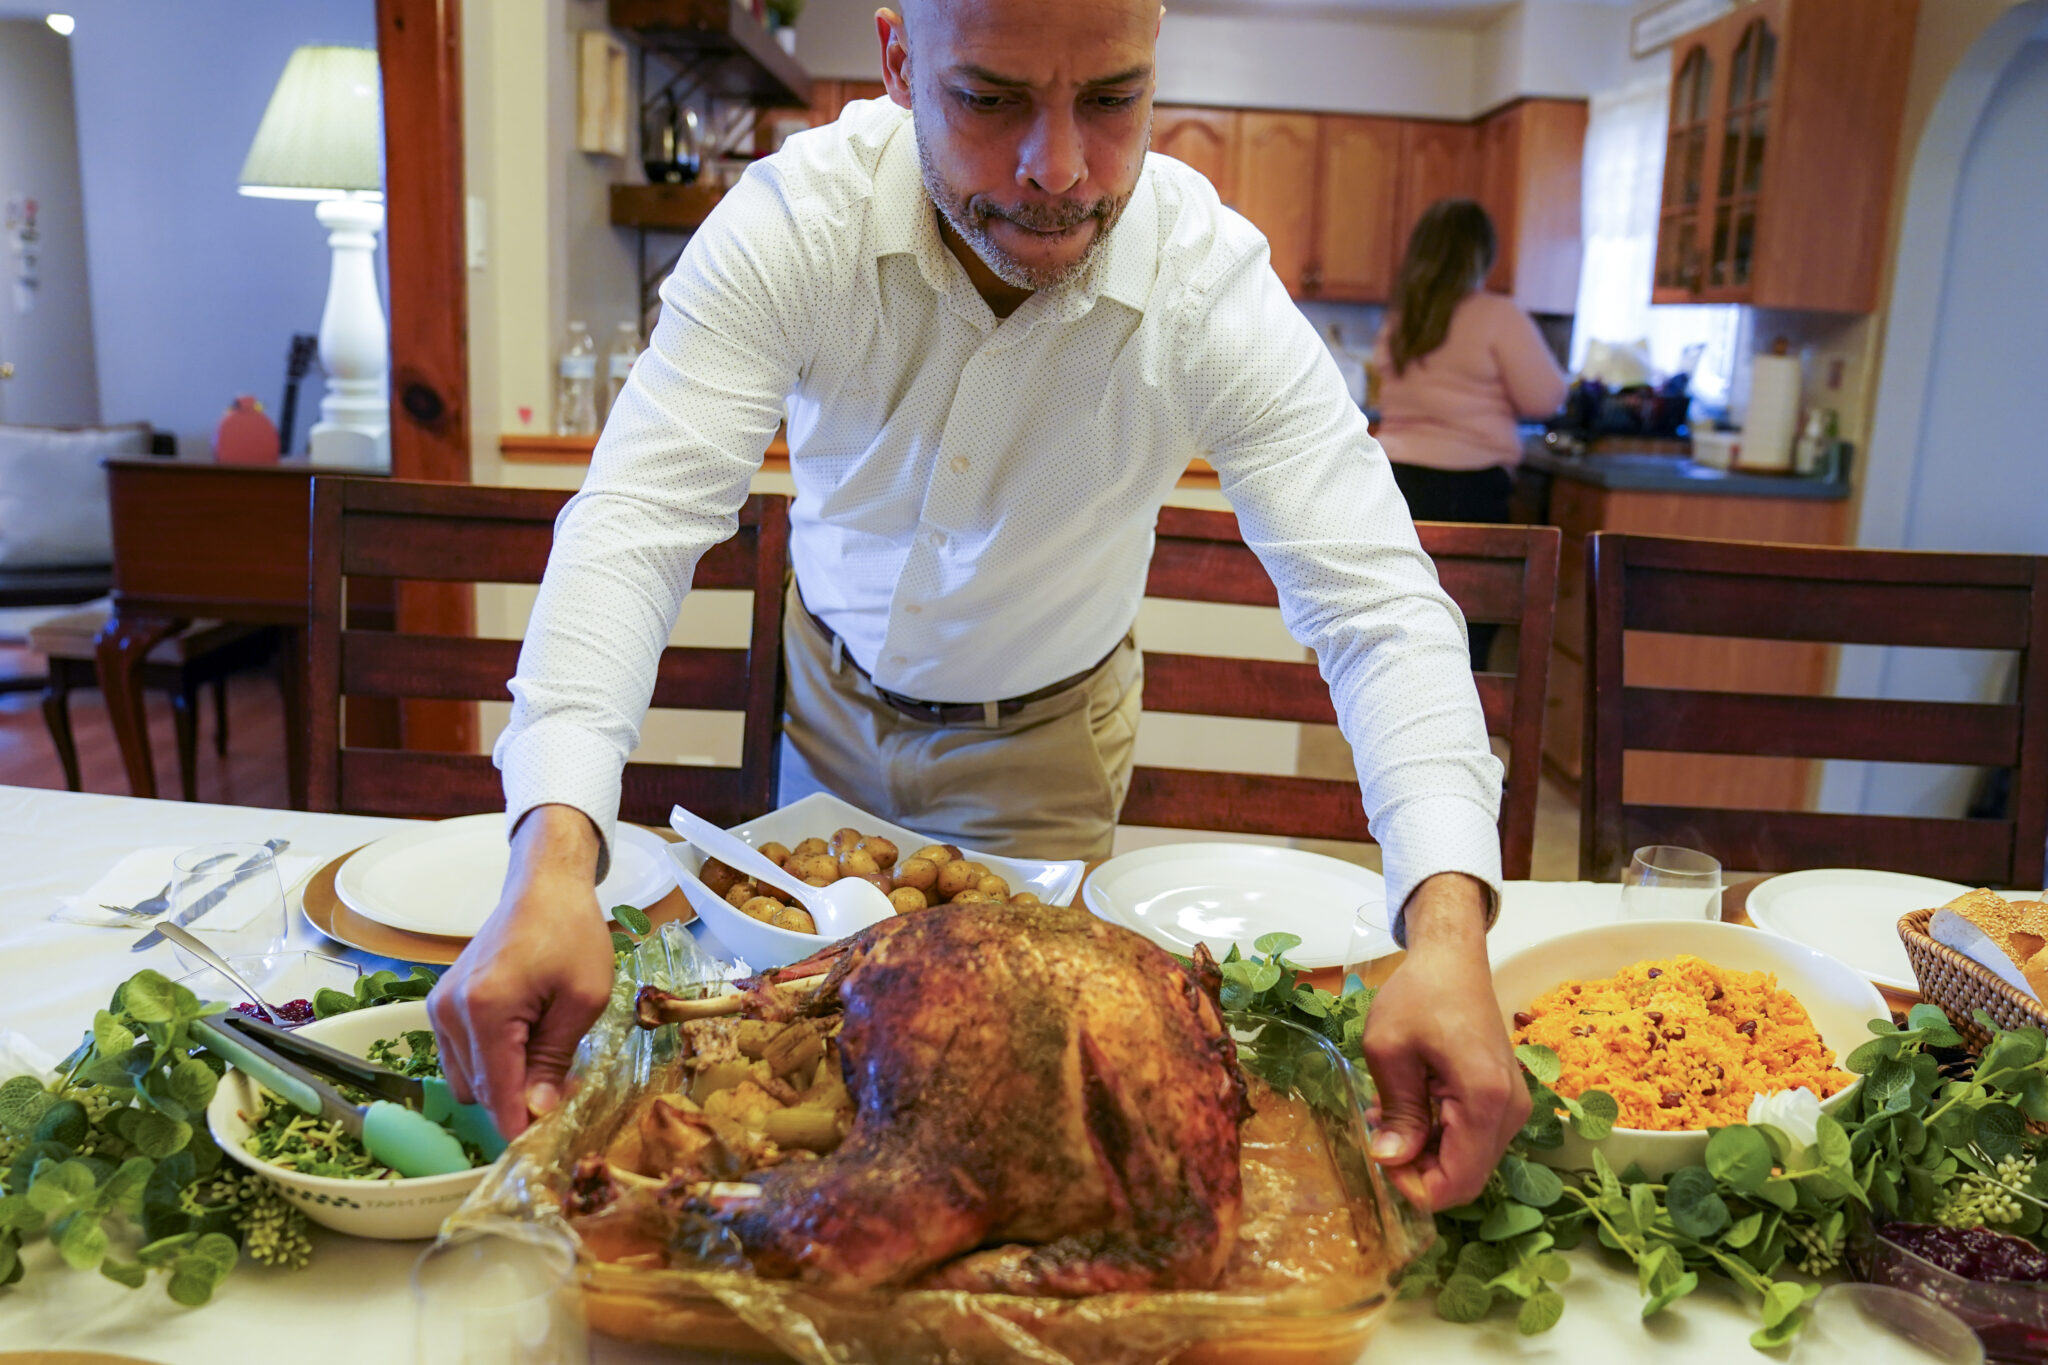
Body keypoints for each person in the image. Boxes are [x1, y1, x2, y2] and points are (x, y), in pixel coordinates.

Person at [427, 0, 1529, 1212]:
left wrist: (1444, 937)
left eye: (1109, 99)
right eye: (991, 97)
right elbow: (634, 527)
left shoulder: (1206, 288)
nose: (1057, 169)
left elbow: (1373, 602)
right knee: (820, 1065)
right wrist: (552, 858)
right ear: (898, 60)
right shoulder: (799, 224)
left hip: (1050, 741)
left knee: (1008, 1105)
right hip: (827, 715)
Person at [1370, 199, 1567, 671]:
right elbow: (1545, 398)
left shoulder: (1404, 316)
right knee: (1467, 633)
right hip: (1469, 490)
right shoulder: (1498, 316)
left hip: (1396, 484)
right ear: (1481, 253)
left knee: (1404, 627)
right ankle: (1454, 738)